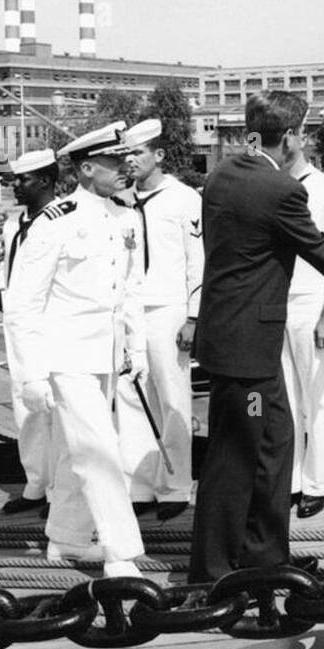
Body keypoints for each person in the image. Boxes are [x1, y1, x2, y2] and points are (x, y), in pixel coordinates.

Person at [189, 91, 324, 583]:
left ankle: (264, 554)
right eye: (300, 133)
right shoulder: (279, 190)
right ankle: (212, 570)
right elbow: (315, 245)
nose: (301, 141)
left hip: (229, 339)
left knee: (274, 438)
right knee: (236, 454)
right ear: (287, 137)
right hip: (249, 350)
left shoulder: (220, 176)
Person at [4, 121, 149, 577]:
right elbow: (22, 304)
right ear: (87, 168)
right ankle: (121, 552)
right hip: (65, 357)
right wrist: (30, 375)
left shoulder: (124, 217)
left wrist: (136, 351)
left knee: (75, 452)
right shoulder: (55, 221)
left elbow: (129, 292)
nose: (125, 167)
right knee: (102, 449)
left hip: (104, 356)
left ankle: (65, 539)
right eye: (113, 161)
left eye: (127, 159)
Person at [115, 118, 203, 522]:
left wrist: (194, 317)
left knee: (172, 399)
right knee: (131, 398)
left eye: (137, 153)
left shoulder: (185, 199)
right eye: (126, 154)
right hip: (131, 311)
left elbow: (198, 262)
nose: (129, 161)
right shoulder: (120, 201)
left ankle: (175, 485)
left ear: (159, 155)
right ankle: (139, 484)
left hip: (169, 309)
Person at [280, 120, 324, 520]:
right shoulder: (271, 185)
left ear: (302, 138)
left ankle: (319, 482)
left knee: (317, 397)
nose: (282, 142)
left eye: (289, 135)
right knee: (283, 400)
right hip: (276, 303)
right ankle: (288, 480)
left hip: (310, 301)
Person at [0, 148, 62, 515]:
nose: (15, 186)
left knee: (53, 411)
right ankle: (36, 483)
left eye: (22, 180)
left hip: (49, 327)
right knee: (26, 410)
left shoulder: (58, 221)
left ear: (45, 180)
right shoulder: (14, 225)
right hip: (19, 327)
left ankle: (58, 492)